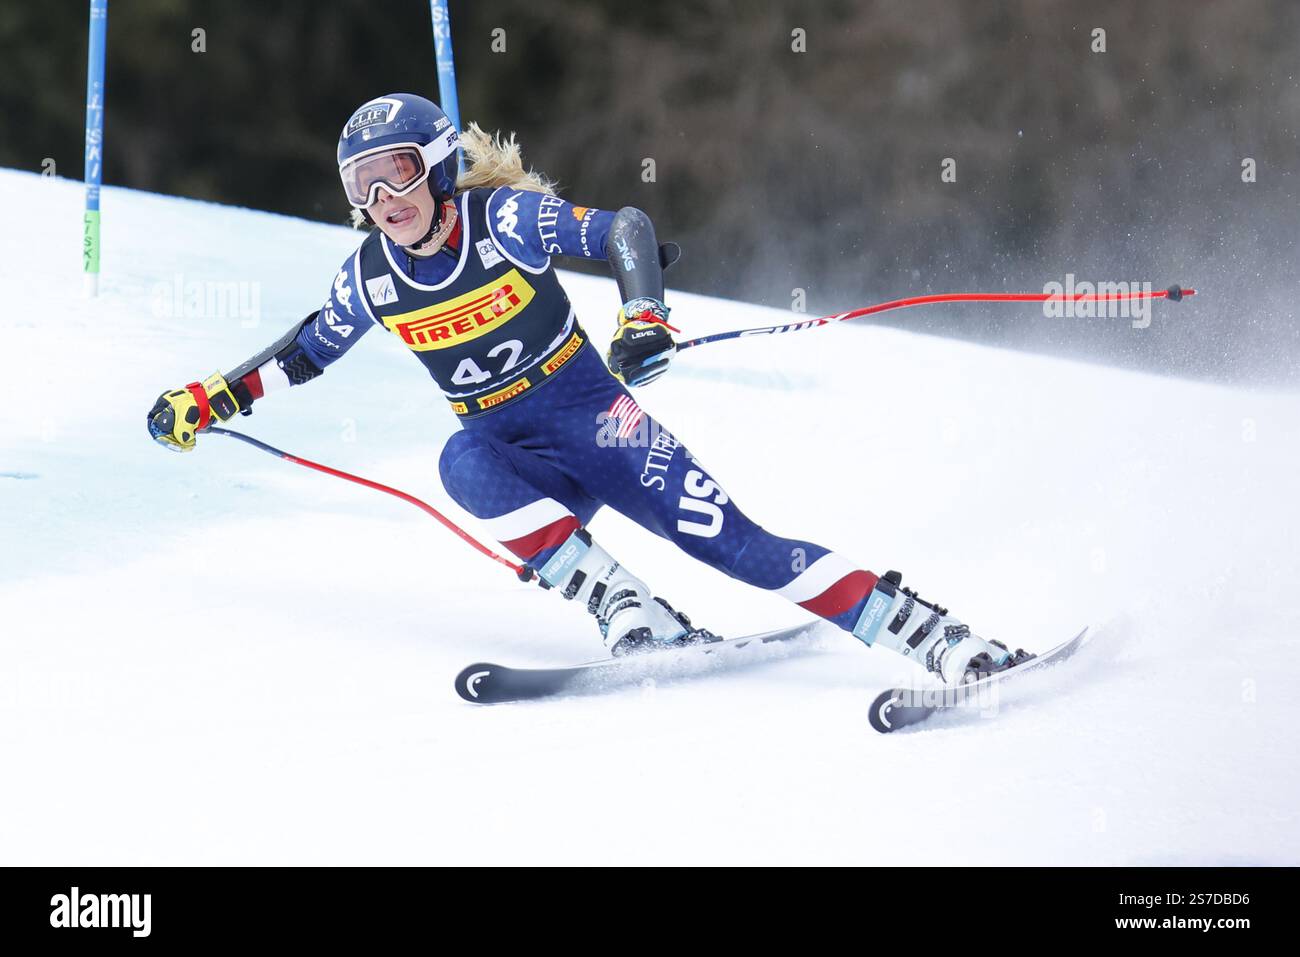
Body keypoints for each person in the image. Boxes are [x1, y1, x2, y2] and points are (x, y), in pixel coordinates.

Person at [148, 92, 1028, 682]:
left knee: (736, 548)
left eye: (400, 171)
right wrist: (212, 397)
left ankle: (931, 634)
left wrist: (644, 314)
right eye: (361, 183)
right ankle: (624, 603)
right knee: (460, 460)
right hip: (517, 455)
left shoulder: (503, 220)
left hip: (602, 425)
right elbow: (308, 349)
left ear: (440, 166)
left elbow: (624, 228)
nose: (384, 197)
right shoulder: (372, 276)